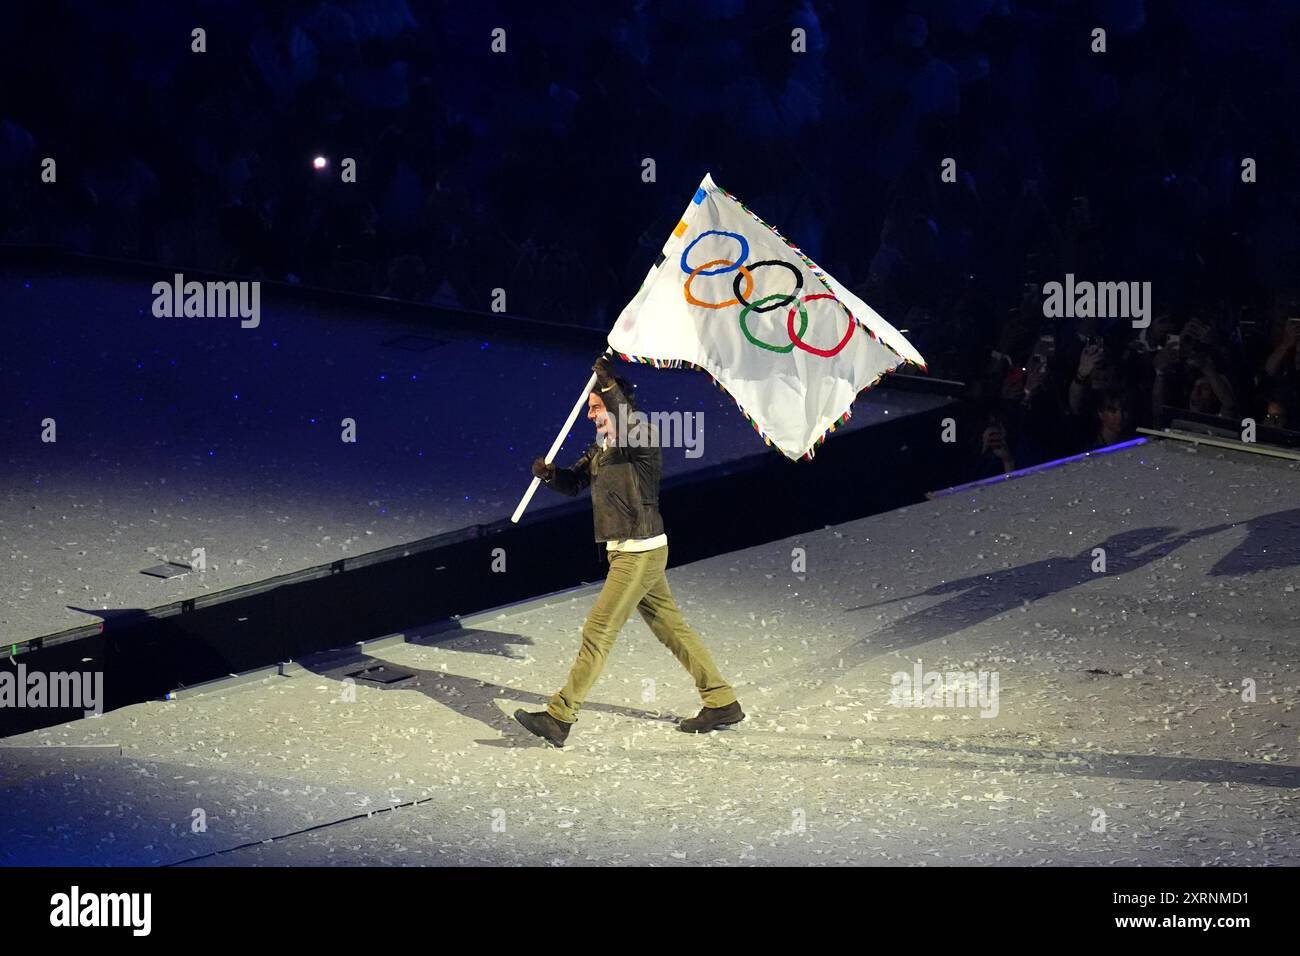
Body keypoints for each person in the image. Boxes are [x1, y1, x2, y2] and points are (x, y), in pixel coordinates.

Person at [514, 356, 743, 747]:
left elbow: (626, 417)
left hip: (640, 551)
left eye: (596, 407)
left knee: (598, 630)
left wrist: (607, 385)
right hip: (629, 551)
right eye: (590, 408)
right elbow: (574, 485)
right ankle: (721, 701)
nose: (590, 415)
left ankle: (560, 717)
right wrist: (551, 476)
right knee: (672, 628)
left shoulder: (642, 437)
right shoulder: (602, 449)